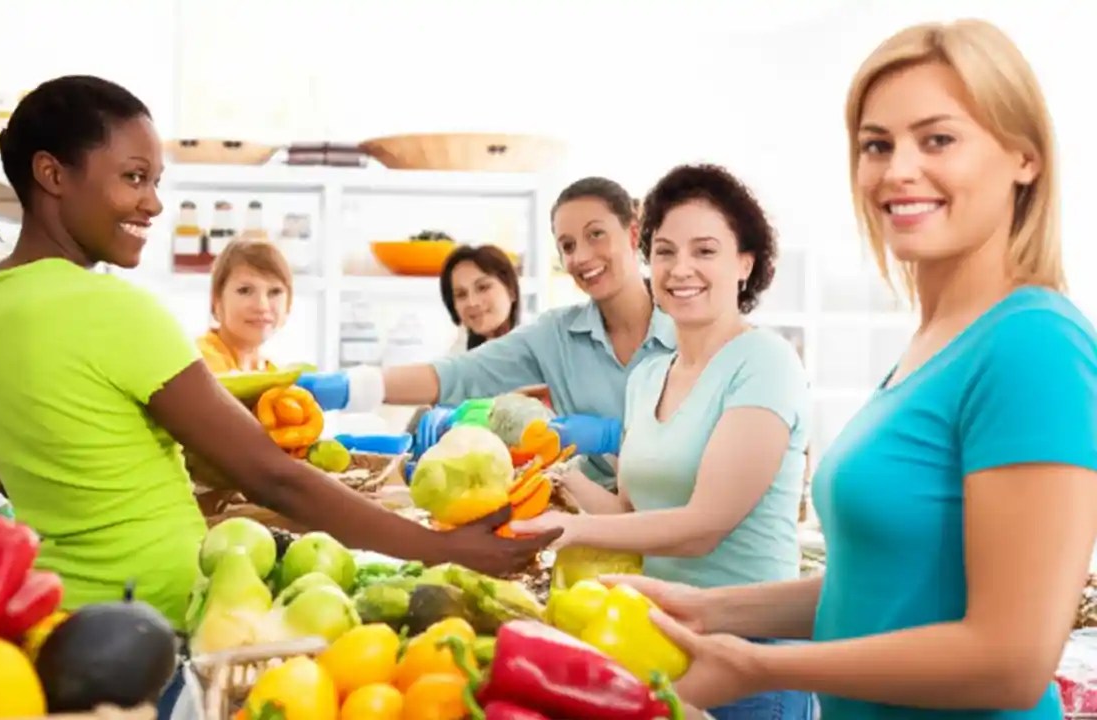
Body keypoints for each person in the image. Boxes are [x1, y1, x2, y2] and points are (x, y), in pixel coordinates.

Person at [0, 75, 558, 638]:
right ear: (53, 175)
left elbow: (72, 460)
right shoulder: (110, 309)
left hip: (60, 612)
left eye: (156, 181)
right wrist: (443, 549)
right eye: (134, 178)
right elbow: (272, 476)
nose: (154, 204)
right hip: (159, 614)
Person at [611, 19, 1097, 720]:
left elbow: (1010, 663)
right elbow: (882, 589)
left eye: (938, 139)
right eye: (877, 144)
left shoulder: (1035, 344)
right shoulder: (933, 343)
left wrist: (755, 666)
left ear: (1024, 158)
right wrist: (711, 609)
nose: (898, 169)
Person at [513, 163, 814, 719]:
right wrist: (552, 472)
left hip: (750, 657)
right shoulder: (649, 376)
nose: (680, 270)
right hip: (656, 644)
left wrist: (568, 527)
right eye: (665, 251)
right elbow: (629, 511)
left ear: (745, 263)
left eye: (705, 251)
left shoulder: (764, 362)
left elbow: (703, 526)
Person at [300, 177, 678, 489]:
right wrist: (353, 387)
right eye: (567, 245)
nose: (580, 256)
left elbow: (710, 449)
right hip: (595, 520)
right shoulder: (557, 335)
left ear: (632, 234)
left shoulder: (687, 327)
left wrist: (617, 439)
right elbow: (457, 374)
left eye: (596, 234)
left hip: (684, 524)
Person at [197, 239, 290, 374]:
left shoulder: (271, 372)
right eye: (245, 290)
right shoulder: (200, 364)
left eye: (275, 292)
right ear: (217, 301)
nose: (262, 306)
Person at [439, 243, 521, 354]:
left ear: (511, 290)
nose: (472, 302)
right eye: (461, 294)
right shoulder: (455, 358)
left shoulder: (540, 345)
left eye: (483, 288)